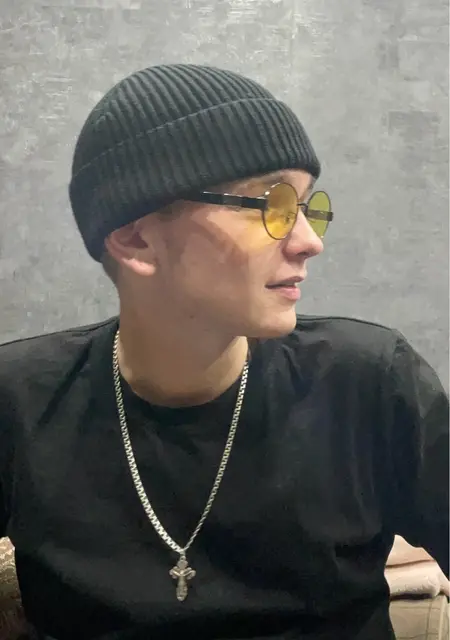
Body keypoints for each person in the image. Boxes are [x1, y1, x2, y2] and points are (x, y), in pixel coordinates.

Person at [0, 64, 448, 640]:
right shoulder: (23, 401)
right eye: (270, 204)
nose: (310, 241)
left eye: (306, 207)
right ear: (135, 238)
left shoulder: (367, 382)